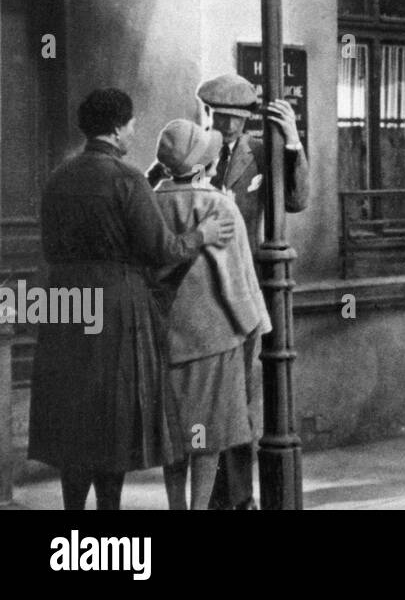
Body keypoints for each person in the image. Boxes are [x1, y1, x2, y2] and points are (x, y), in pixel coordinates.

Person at [28, 89, 236, 510]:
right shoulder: (127, 179)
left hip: (65, 306)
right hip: (115, 308)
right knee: (111, 419)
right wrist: (203, 235)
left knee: (74, 415)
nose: (133, 131)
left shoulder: (57, 178)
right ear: (120, 127)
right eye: (132, 124)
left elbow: (49, 247)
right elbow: (162, 251)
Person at [196, 73, 310, 510]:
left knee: (241, 397)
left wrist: (294, 142)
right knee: (208, 397)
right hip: (200, 289)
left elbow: (297, 200)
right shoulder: (191, 149)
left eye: (237, 122)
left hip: (241, 288)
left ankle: (238, 497)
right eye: (221, 120)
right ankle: (207, 496)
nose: (228, 130)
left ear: (247, 121)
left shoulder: (263, 152)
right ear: (208, 114)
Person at [153, 120, 271, 511]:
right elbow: (240, 275)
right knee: (207, 432)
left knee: (174, 432)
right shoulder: (221, 206)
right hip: (215, 336)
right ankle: (200, 507)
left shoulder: (152, 202)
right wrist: (257, 324)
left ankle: (175, 507)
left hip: (165, 337)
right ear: (204, 164)